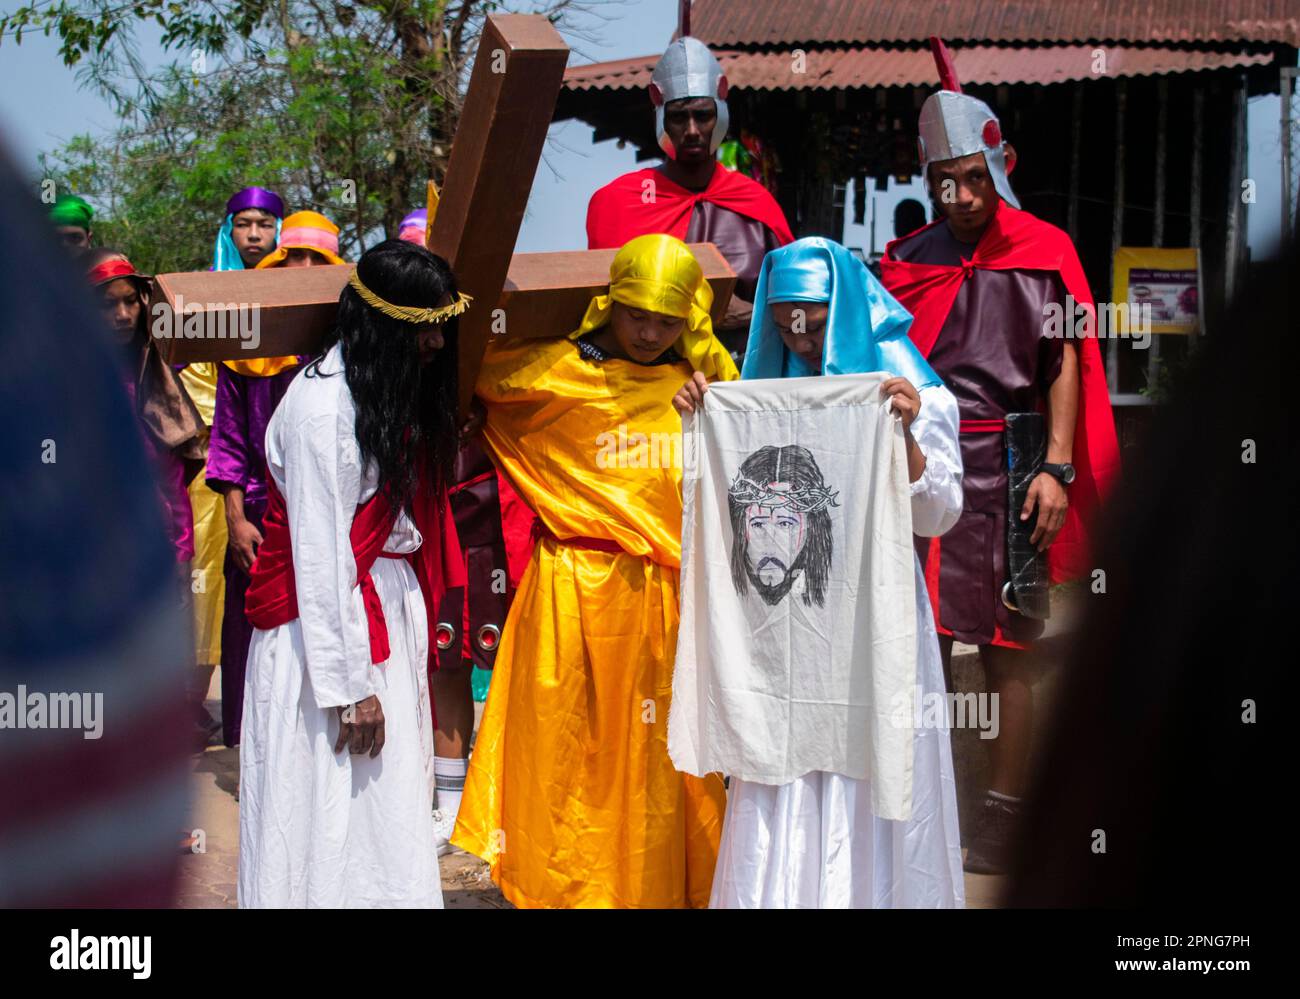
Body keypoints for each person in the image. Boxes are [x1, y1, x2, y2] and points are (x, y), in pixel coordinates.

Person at [672, 237, 966, 907]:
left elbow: (940, 513)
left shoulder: (913, 389)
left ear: (848, 309)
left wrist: (908, 440)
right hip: (788, 628)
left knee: (879, 766)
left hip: (876, 621)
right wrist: (701, 420)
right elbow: (725, 510)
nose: (798, 338)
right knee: (781, 765)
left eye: (809, 319)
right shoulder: (765, 402)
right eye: (782, 325)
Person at [879, 64, 1119, 875]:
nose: (960, 198)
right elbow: (883, 361)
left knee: (1012, 645)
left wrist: (1056, 467)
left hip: (1016, 460)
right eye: (944, 184)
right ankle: (923, 812)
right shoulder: (905, 259)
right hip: (929, 464)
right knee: (922, 642)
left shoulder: (1046, 251)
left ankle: (1009, 814)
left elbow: (1066, 362)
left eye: (973, 179)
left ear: (1001, 165)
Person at [451, 233, 738, 908]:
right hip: (567, 587)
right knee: (561, 748)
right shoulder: (552, 371)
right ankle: (559, 891)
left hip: (659, 598)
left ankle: (652, 888)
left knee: (656, 760)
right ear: (607, 302)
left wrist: (710, 395)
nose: (647, 331)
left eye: (667, 320)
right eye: (635, 312)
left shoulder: (700, 389)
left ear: (689, 320)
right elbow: (465, 370)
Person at [237, 240, 466, 908]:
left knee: (382, 811)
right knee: (322, 804)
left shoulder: (378, 393)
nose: (439, 343)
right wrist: (350, 688)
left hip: (373, 616)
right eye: (424, 330)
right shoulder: (324, 411)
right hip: (324, 642)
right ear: (384, 326)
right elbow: (319, 555)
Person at [205, 210, 342, 747]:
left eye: (318, 260)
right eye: (294, 257)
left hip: (334, 511)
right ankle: (254, 751)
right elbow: (230, 440)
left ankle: (316, 754)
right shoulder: (246, 346)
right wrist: (236, 519)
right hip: (260, 516)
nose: (304, 268)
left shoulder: (351, 348)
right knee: (252, 631)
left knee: (323, 632)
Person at [586, 37, 793, 353]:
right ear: (661, 116)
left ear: (720, 110)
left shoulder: (756, 202)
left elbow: (798, 309)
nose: (693, 130)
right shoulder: (618, 201)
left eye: (703, 115)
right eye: (680, 117)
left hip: (744, 379)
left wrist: (753, 316)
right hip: (645, 382)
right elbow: (597, 308)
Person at [179, 185, 288, 744]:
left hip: (267, 468)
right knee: (204, 583)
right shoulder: (203, 295)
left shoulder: (297, 293)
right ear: (229, 230)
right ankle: (191, 704)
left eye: (264, 225)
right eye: (243, 224)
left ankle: (265, 717)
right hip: (206, 462)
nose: (253, 235)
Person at [84, 249, 206, 564]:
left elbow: (172, 480)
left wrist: (182, 552)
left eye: (130, 301)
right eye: (108, 304)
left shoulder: (154, 379)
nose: (123, 315)